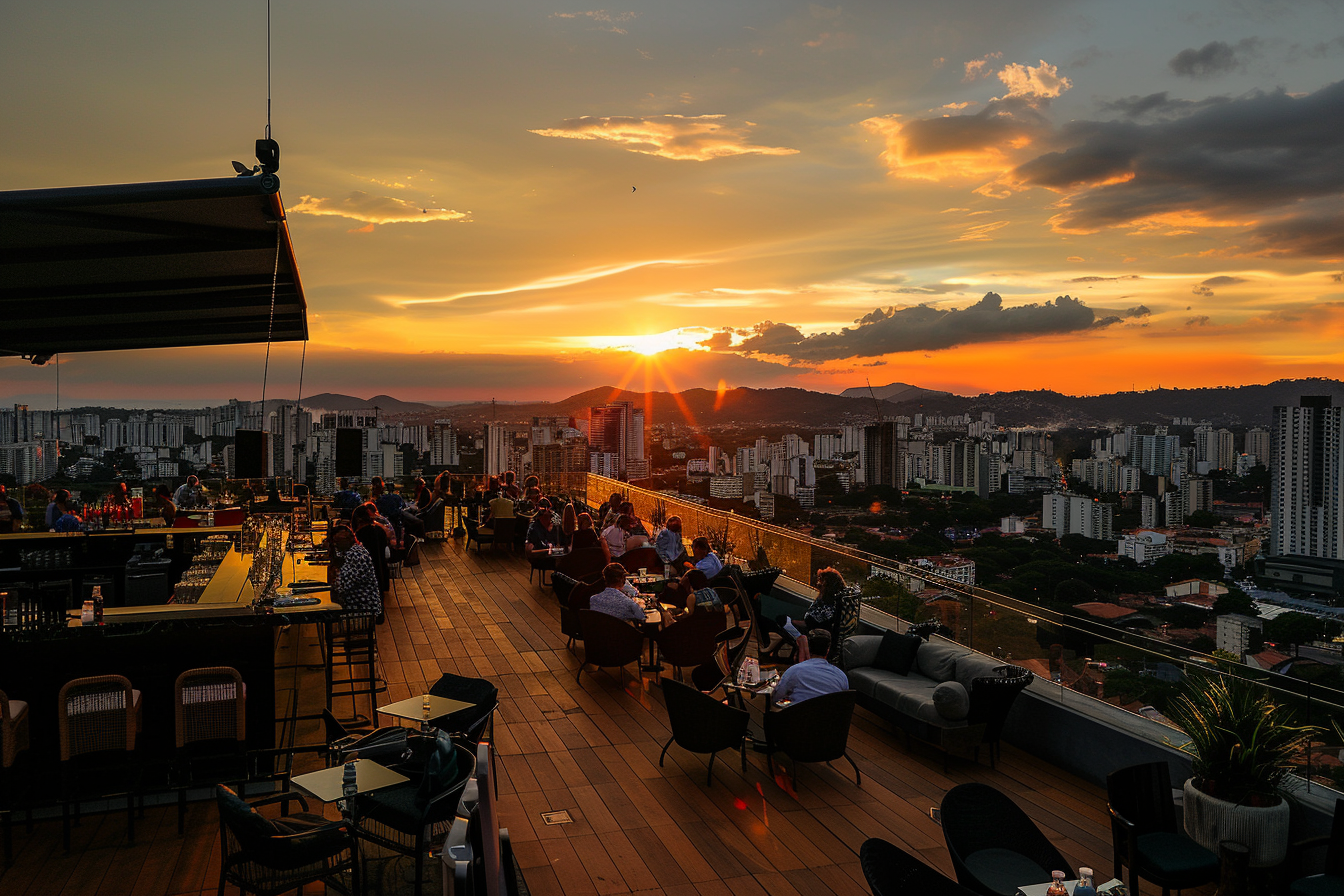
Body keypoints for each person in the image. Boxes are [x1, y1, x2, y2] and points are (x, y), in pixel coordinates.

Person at [773, 630, 848, 704]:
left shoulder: (794, 671)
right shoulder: (841, 676)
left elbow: (777, 696)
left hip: (800, 714)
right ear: (827, 651)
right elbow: (844, 701)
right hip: (830, 715)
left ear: (808, 649)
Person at [328, 524, 383, 615]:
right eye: (334, 541)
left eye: (338, 541)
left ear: (350, 539)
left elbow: (341, 587)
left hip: (361, 608)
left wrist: (334, 572)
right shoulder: (349, 551)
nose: (335, 544)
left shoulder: (356, 555)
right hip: (358, 604)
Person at [796, 567, 848, 662]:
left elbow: (810, 621)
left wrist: (792, 622)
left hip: (817, 635)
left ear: (827, 585)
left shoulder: (827, 604)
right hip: (817, 630)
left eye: (821, 581)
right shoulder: (835, 601)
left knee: (783, 621)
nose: (818, 584)